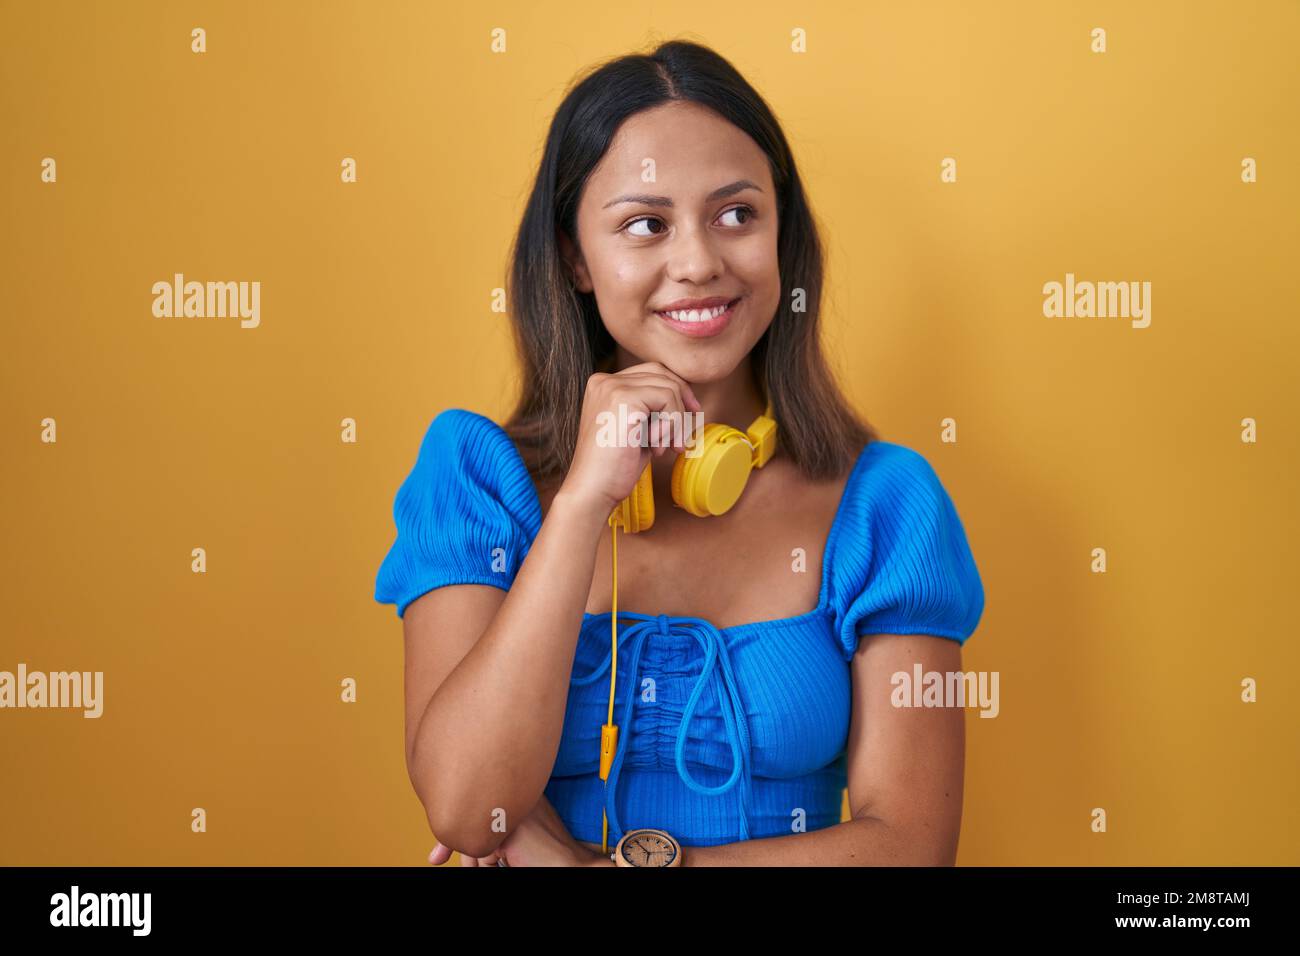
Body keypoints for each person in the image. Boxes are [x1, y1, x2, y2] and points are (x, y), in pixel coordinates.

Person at [375, 39, 985, 866]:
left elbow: (910, 848)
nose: (699, 262)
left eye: (738, 214)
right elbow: (466, 806)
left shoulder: (885, 503)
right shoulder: (477, 478)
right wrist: (584, 504)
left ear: (782, 235)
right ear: (573, 259)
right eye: (644, 224)